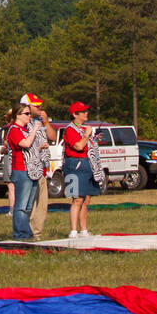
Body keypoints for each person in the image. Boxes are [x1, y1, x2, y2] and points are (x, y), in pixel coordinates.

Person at [19, 93, 57, 239]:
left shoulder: (40, 122)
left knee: (41, 205)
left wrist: (46, 123)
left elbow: (53, 137)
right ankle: (25, 232)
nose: (39, 107)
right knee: (28, 205)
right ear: (27, 105)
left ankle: (36, 234)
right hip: (28, 169)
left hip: (41, 169)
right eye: (36, 105)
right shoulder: (23, 124)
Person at [63, 102, 100, 240]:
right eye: (83, 112)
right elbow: (78, 146)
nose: (86, 114)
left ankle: (84, 230)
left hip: (87, 163)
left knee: (86, 198)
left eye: (86, 111)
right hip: (74, 165)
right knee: (77, 198)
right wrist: (86, 135)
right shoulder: (70, 130)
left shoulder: (83, 128)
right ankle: (73, 231)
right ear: (75, 115)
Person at [6, 100, 40, 241]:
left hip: (32, 171)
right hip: (21, 171)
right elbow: (25, 144)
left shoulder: (25, 130)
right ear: (18, 115)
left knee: (27, 207)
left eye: (30, 114)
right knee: (20, 206)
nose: (29, 117)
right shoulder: (14, 130)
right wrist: (35, 130)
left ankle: (26, 233)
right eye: (26, 114)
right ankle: (21, 234)